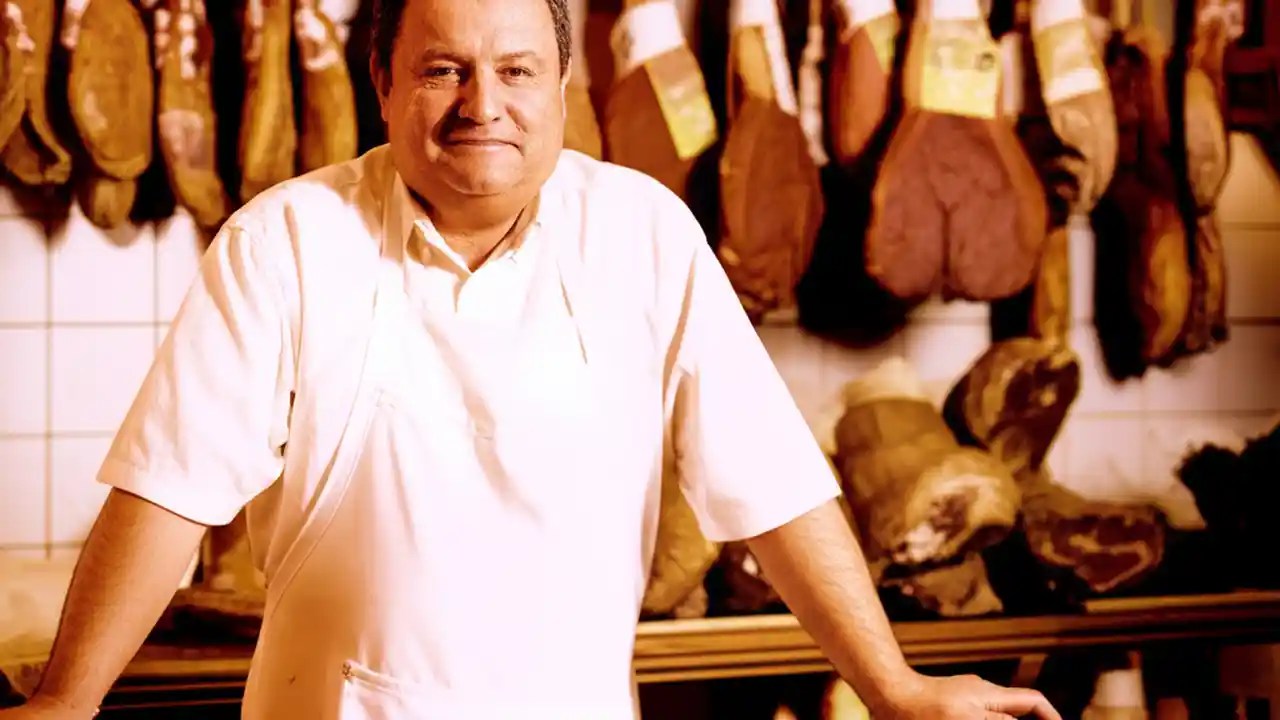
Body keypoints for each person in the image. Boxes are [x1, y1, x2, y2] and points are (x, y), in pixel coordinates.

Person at [2, 0, 1062, 718]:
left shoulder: (643, 234)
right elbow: (169, 488)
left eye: (515, 71)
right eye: (443, 70)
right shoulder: (286, 240)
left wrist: (891, 688)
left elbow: (772, 484)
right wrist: (67, 700)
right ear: (383, 83)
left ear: (561, 84)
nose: (483, 105)